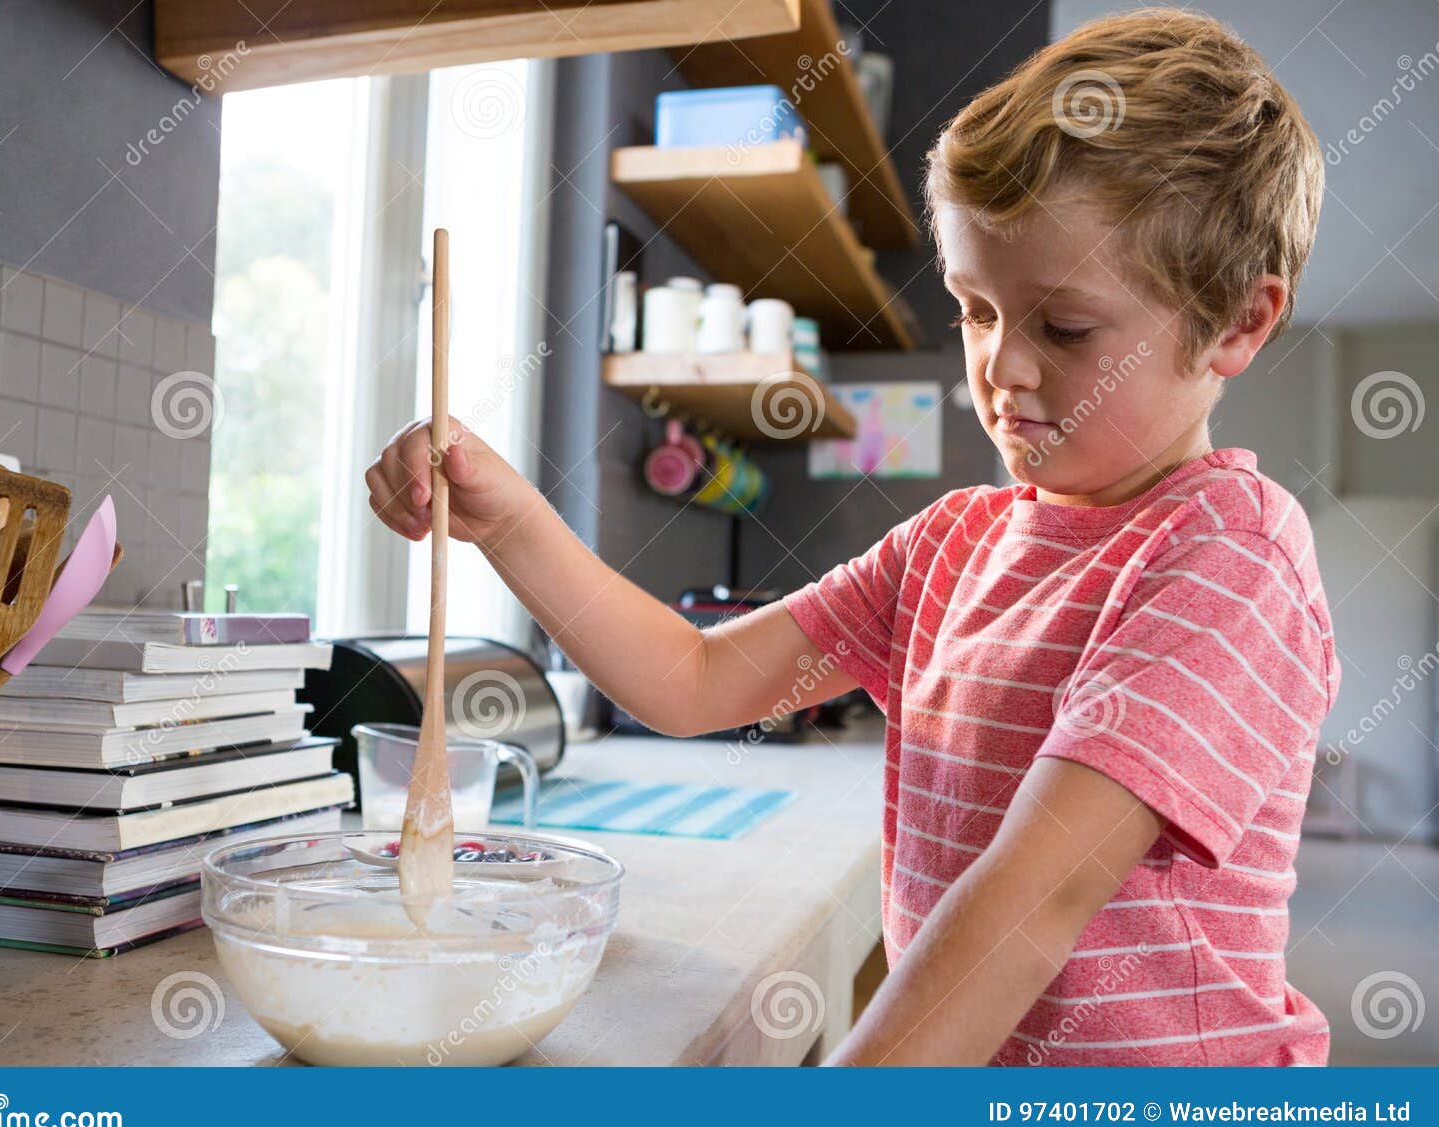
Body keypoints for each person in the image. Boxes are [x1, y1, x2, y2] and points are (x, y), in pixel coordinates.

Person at [365, 7, 1334, 1065]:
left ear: (1237, 322)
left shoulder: (1228, 555)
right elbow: (691, 676)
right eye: (974, 309)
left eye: (1063, 328)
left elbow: (1031, 901)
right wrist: (511, 520)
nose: (999, 367)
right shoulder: (950, 545)